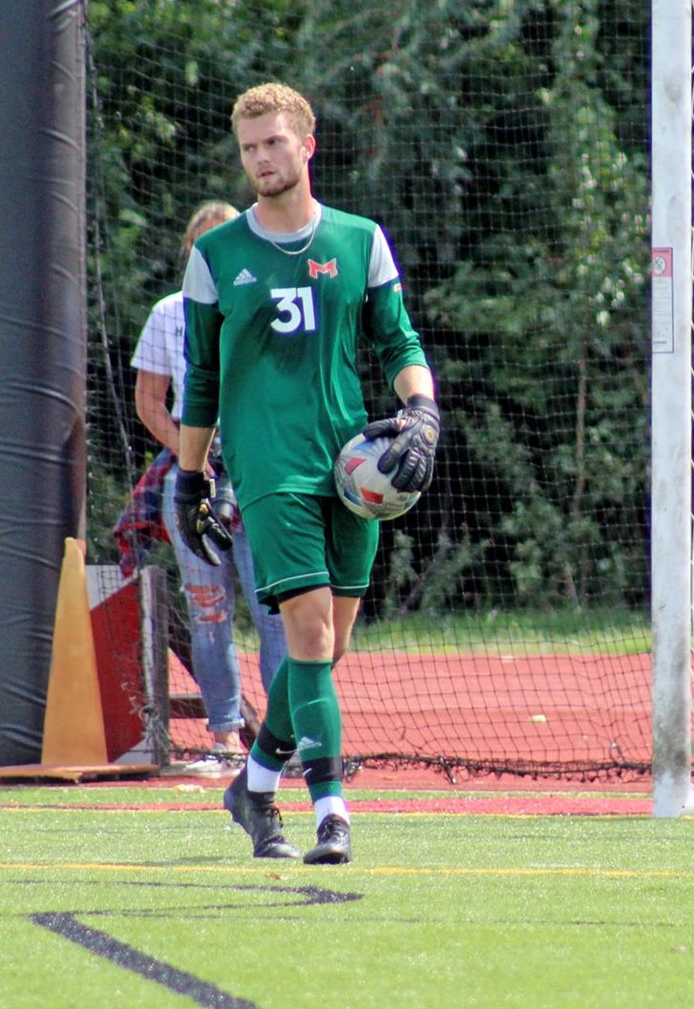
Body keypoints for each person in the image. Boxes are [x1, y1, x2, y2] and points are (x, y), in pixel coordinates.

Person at [173, 82, 439, 865]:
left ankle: (252, 788)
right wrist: (192, 479)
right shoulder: (217, 256)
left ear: (306, 146)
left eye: (273, 144)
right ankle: (331, 813)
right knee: (311, 638)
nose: (259, 159)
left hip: (352, 467)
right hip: (268, 468)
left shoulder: (360, 240)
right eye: (249, 147)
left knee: (330, 648)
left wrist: (423, 413)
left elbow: (398, 344)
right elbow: (200, 377)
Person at [129, 201, 292, 777]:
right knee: (209, 610)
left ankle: (282, 739)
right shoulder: (170, 312)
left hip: (258, 476)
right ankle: (224, 736)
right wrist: (192, 453)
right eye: (206, 244)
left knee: (275, 610)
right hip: (194, 475)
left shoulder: (270, 304)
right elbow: (149, 400)